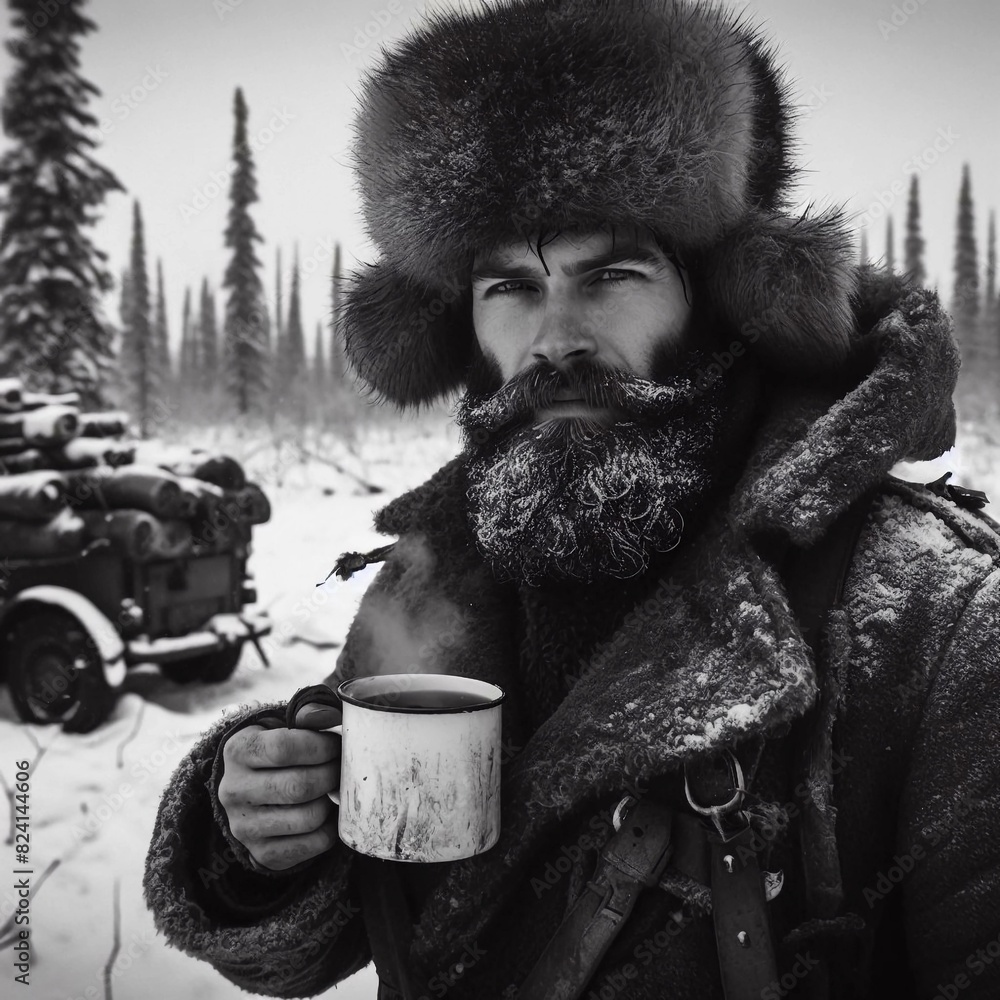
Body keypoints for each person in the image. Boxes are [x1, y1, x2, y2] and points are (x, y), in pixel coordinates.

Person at [143, 1, 1000, 998]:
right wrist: (259, 833)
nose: (555, 339)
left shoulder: (938, 619)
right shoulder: (442, 574)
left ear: (725, 296)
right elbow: (336, 927)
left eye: (613, 274)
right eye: (510, 286)